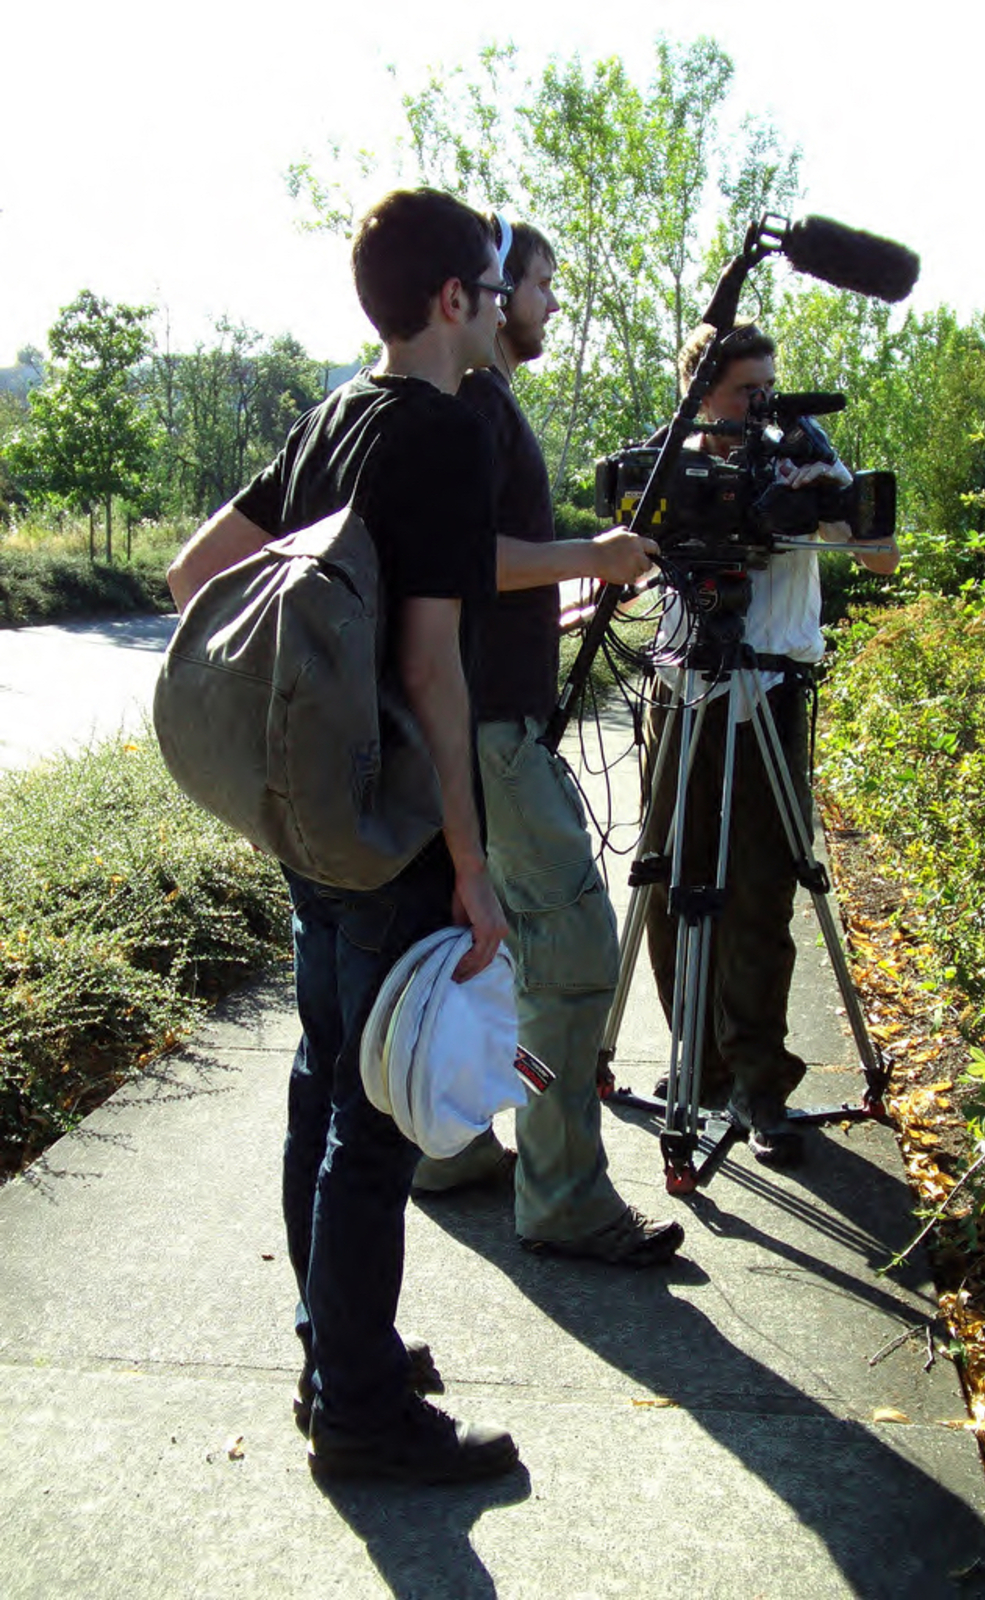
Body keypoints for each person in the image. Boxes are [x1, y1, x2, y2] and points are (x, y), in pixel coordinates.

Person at [165, 188, 519, 1483]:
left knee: (323, 1088)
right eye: (488, 285)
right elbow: (434, 674)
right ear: (448, 301)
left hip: (308, 821)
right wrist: (473, 870)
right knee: (370, 1127)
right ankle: (361, 1416)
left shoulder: (331, 418)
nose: (495, 307)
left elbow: (196, 573)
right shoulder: (440, 434)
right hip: (390, 831)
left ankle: (335, 1350)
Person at [412, 222, 686, 1269]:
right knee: (569, 954)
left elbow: (476, 580)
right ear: (486, 291)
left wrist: (569, 600)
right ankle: (563, 1194)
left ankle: (446, 1152)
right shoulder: (475, 405)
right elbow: (463, 556)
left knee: (488, 949)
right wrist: (594, 551)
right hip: (490, 733)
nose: (546, 304)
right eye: (537, 286)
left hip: (486, 716)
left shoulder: (475, 402)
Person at [642, 321, 900, 1164]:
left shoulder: (803, 454)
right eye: (746, 390)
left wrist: (833, 496)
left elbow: (882, 561)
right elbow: (626, 552)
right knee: (673, 880)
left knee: (760, 892)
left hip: (772, 687)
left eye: (769, 388)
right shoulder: (669, 461)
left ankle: (760, 1086)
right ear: (700, 392)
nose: (763, 405)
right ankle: (699, 1071)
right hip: (685, 685)